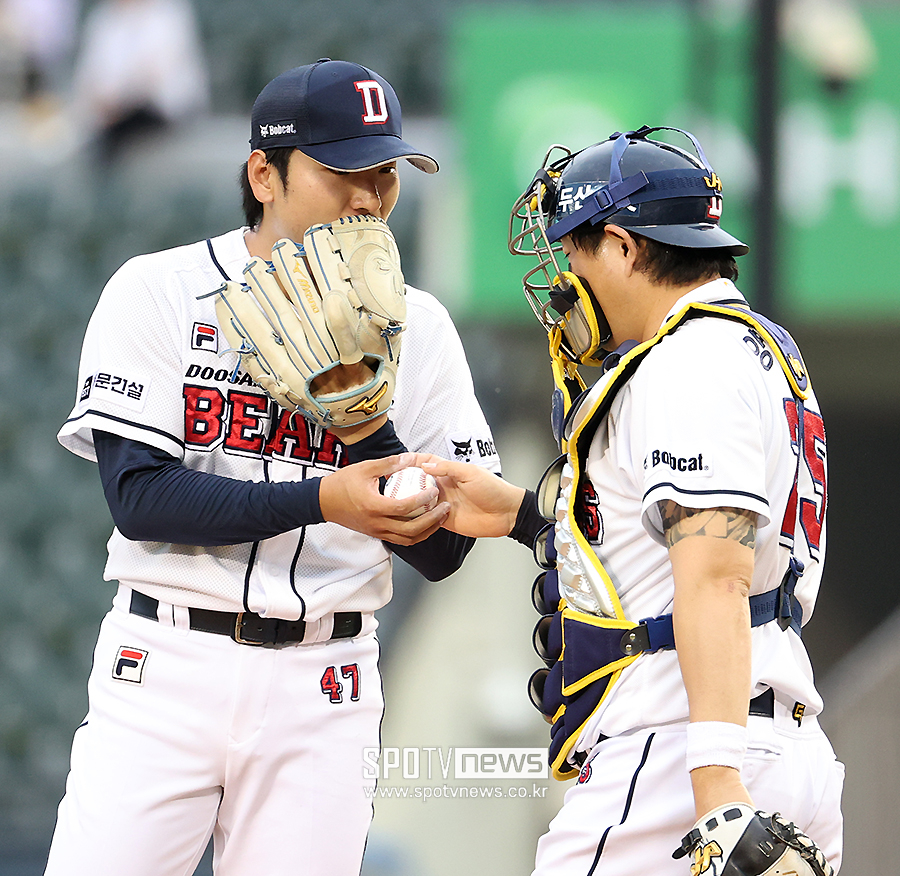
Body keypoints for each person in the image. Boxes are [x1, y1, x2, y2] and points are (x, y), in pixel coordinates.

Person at [50, 58, 500, 876]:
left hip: (324, 686)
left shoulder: (422, 330)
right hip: (166, 667)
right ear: (265, 173)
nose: (369, 198)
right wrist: (327, 497)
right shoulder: (158, 290)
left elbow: (443, 552)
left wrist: (366, 424)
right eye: (342, 172)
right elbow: (140, 499)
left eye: (385, 174)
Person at [414, 126, 843, 873]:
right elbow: (676, 550)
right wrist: (524, 516)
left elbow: (716, 575)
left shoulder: (689, 360)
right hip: (775, 742)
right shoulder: (761, 349)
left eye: (573, 251)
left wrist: (717, 793)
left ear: (621, 246)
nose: (563, 278)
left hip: (684, 757)